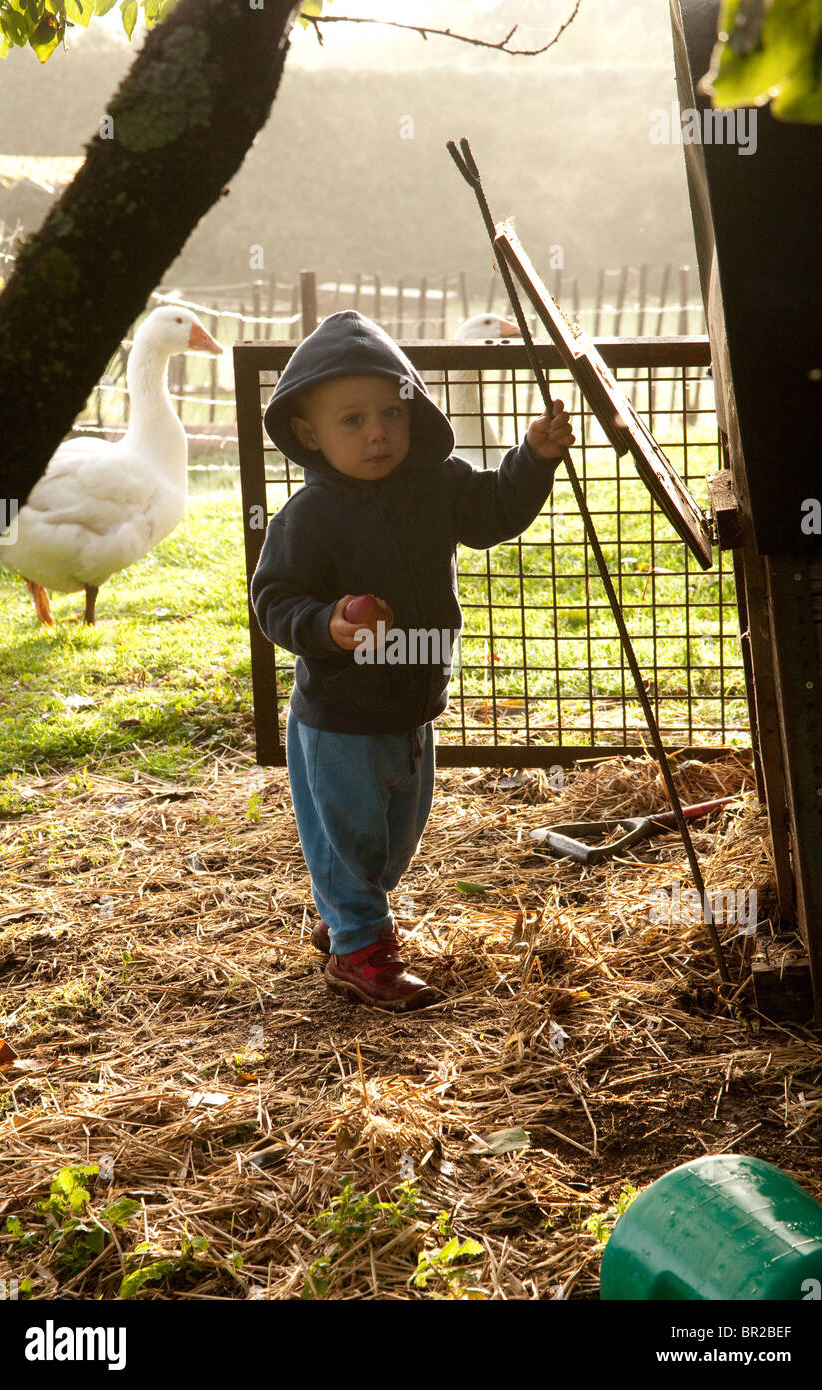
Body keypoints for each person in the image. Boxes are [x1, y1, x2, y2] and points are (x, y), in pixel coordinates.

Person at [251, 310, 574, 1011]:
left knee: (394, 842)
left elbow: (493, 512)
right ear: (309, 434)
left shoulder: (437, 482)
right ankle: (361, 949)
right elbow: (275, 599)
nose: (377, 432)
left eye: (391, 412)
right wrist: (327, 625)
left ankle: (346, 914)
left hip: (413, 707)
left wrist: (534, 458)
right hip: (340, 717)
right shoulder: (306, 518)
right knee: (349, 835)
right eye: (352, 420)